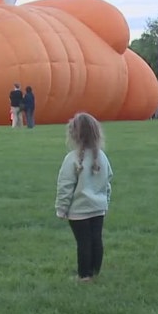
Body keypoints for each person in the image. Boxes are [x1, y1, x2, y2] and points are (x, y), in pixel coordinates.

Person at [55, 112, 113, 282]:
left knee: (84, 242)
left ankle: (84, 275)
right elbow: (107, 182)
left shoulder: (71, 159)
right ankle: (95, 270)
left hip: (78, 211)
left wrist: (61, 209)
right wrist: (105, 203)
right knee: (96, 240)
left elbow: (65, 186)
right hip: (98, 208)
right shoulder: (102, 157)